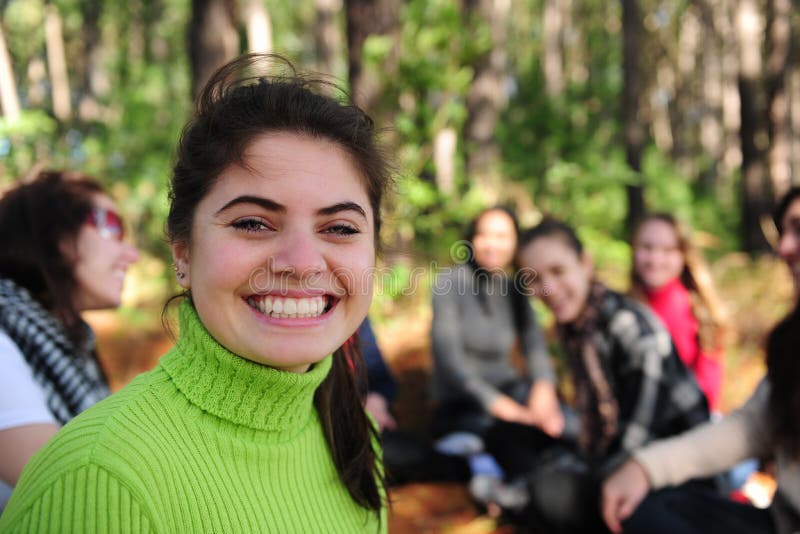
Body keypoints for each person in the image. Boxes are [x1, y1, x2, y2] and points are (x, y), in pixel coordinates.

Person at [0, 54, 390, 532]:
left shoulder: (354, 439)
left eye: (341, 228)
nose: (304, 263)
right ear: (182, 254)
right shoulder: (95, 477)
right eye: (252, 223)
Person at [601, 187, 800, 534]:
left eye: (799, 229)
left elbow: (704, 394)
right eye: (785, 232)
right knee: (653, 508)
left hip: (691, 423)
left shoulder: (693, 314)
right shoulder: (791, 339)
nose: (783, 249)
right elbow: (755, 424)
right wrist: (645, 467)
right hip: (777, 515)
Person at [501, 218, 709, 533]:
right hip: (620, 455)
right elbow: (595, 423)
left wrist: (584, 473)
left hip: (674, 473)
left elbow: (637, 440)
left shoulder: (630, 329)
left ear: (585, 264)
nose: (549, 289)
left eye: (558, 271)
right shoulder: (575, 330)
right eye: (534, 278)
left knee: (549, 494)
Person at [0, 169, 139, 511]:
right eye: (111, 226)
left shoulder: (73, 348)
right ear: (54, 236)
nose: (130, 255)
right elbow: (77, 488)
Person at [430, 206, 562, 444]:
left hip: (510, 389)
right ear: (472, 240)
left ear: (515, 243)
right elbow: (450, 363)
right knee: (501, 440)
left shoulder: (515, 288)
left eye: (502, 237)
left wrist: (544, 386)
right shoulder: (448, 283)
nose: (492, 244)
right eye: (484, 235)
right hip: (463, 403)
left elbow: (535, 344)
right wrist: (496, 404)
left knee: (562, 426)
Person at [631, 213, 728, 411]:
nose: (655, 259)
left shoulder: (697, 311)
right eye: (647, 247)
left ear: (684, 255)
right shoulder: (624, 308)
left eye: (668, 250)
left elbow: (708, 390)